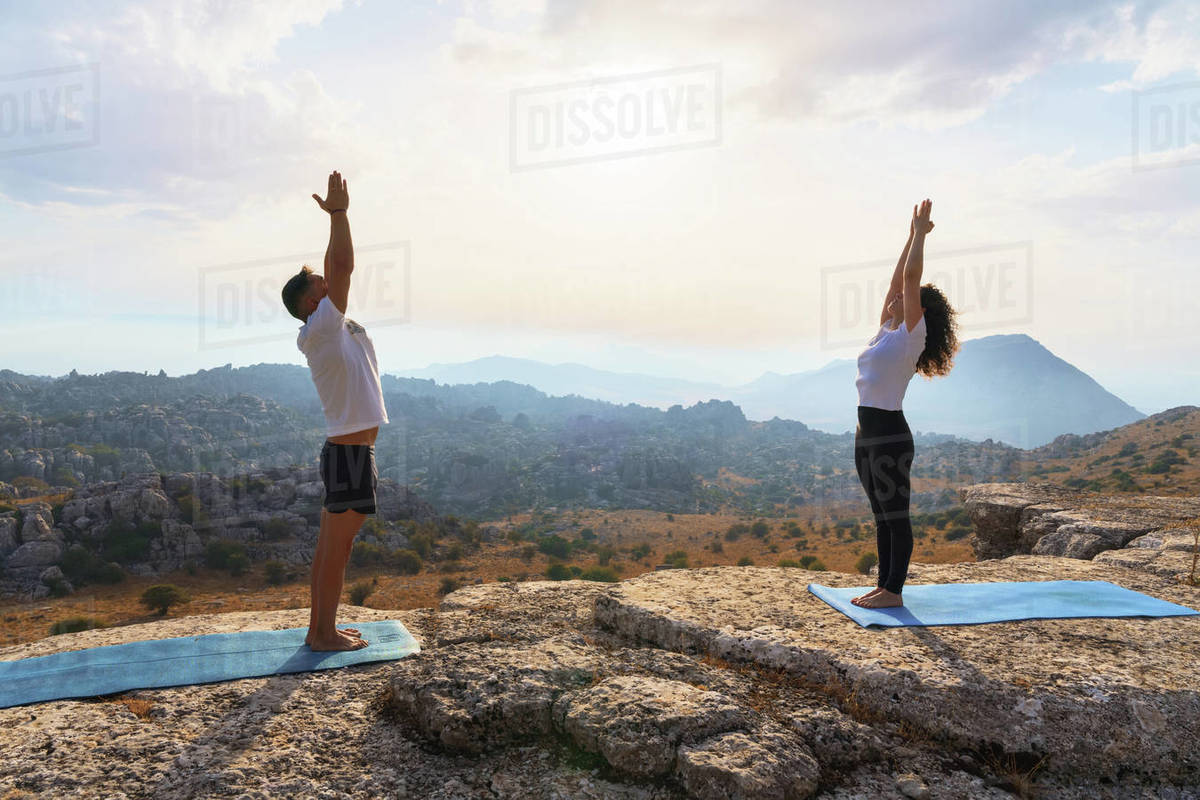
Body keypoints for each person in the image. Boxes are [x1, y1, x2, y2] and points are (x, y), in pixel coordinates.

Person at [280, 170, 389, 650]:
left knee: (331, 550)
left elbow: (335, 272)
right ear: (311, 300)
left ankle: (320, 629)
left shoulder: (329, 326)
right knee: (336, 551)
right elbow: (342, 267)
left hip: (347, 453)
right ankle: (323, 634)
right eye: (318, 281)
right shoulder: (321, 327)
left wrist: (334, 219)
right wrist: (341, 215)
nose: (328, 280)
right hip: (347, 455)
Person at [850, 199, 958, 609]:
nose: (897, 298)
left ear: (920, 312)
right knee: (881, 516)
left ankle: (894, 592)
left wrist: (921, 236)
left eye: (907, 299)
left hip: (891, 436)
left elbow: (911, 278)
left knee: (896, 516)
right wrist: (907, 236)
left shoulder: (911, 337)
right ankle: (883, 586)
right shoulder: (885, 331)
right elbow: (898, 282)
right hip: (865, 435)